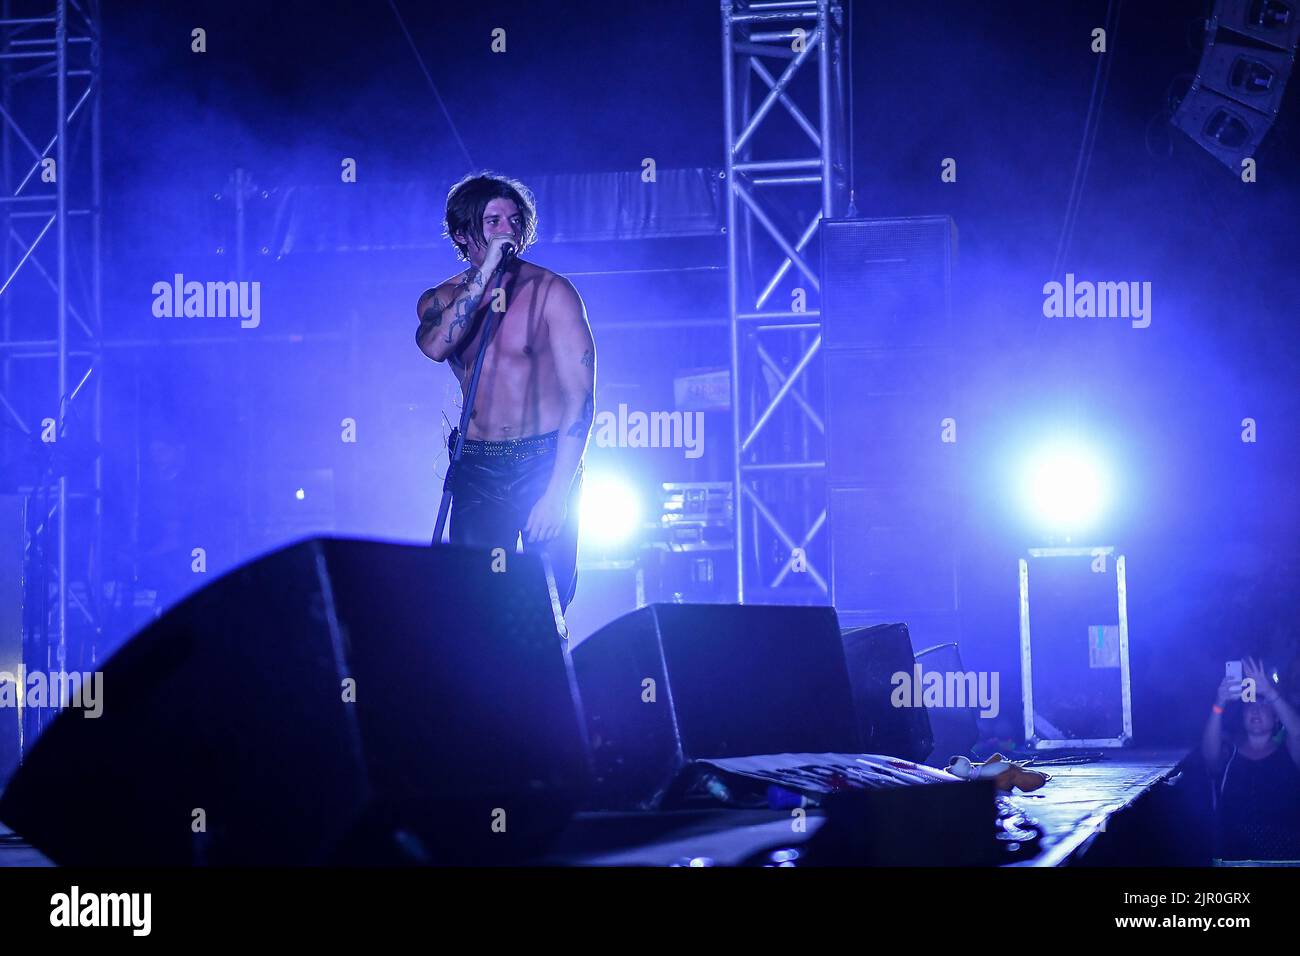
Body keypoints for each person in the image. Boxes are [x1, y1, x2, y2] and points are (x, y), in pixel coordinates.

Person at [416, 172, 595, 610]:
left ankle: (547, 677)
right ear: (462, 233)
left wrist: (556, 495)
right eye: (492, 221)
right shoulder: (441, 298)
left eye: (514, 220)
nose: (507, 230)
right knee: (475, 601)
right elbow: (436, 346)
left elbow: (581, 400)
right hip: (478, 468)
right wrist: (485, 277)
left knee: (547, 601)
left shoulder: (552, 292)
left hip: (543, 462)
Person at [1201, 656, 1300, 861]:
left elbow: (1297, 733)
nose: (1255, 709)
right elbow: (1210, 757)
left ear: (1276, 718)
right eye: (1250, 705)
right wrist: (1219, 703)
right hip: (1234, 856)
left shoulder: (1289, 751)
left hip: (1285, 858)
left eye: (1263, 705)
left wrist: (1271, 693)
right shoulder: (1230, 752)